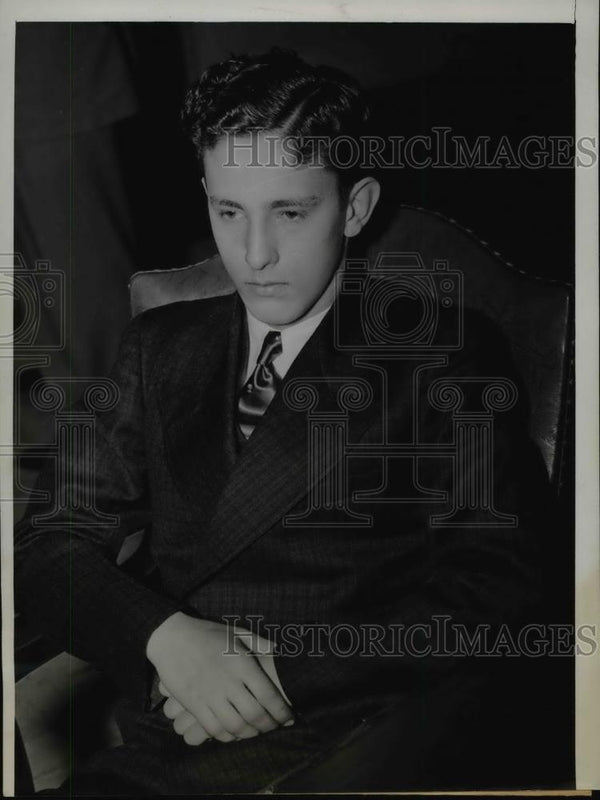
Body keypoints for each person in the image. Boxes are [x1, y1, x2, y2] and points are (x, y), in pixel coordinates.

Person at [15, 48, 552, 794]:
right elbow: (49, 545)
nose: (255, 253)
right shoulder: (161, 348)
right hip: (172, 730)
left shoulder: (440, 354)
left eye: (291, 213)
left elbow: (499, 588)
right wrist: (166, 640)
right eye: (228, 212)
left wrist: (274, 674)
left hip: (357, 735)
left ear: (355, 207)